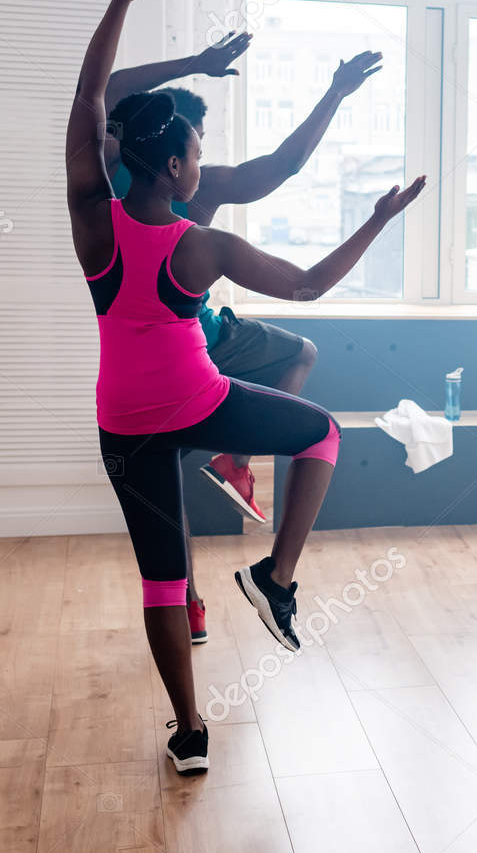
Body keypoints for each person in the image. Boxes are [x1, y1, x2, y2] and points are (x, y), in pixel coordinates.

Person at [66, 0, 426, 773]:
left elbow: (90, 99)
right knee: (322, 433)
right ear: (175, 166)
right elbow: (306, 286)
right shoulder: (204, 244)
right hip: (198, 399)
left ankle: (190, 735)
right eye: (196, 148)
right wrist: (375, 221)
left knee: (162, 584)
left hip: (121, 420)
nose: (204, 158)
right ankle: (277, 575)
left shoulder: (91, 214)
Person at [106, 40, 384, 644]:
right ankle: (198, 591)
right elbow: (282, 171)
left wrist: (334, 94)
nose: (202, 160)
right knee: (167, 478)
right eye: (196, 145)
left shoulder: (136, 184)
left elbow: (282, 165)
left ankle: (231, 467)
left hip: (195, 340)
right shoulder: (141, 184)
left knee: (294, 355)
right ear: (169, 150)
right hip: (183, 352)